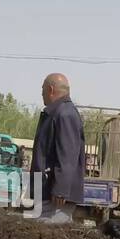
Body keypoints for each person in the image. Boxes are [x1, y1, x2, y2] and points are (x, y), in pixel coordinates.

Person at [29, 73, 85, 223]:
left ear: (50, 89)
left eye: (42, 90)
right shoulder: (57, 112)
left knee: (44, 237)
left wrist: (60, 189)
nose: (41, 94)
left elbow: (67, 155)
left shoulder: (65, 114)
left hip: (55, 197)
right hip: (48, 192)